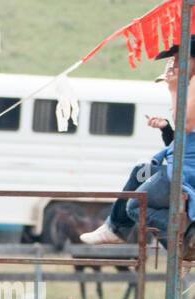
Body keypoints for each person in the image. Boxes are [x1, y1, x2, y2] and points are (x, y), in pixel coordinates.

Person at [82, 41, 195, 245]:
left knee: (136, 205)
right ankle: (114, 228)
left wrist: (173, 90)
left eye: (178, 59)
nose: (174, 64)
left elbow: (186, 125)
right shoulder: (189, 86)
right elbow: (183, 140)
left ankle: (184, 239)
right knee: (141, 171)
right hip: (184, 164)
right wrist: (166, 129)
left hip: (188, 171)